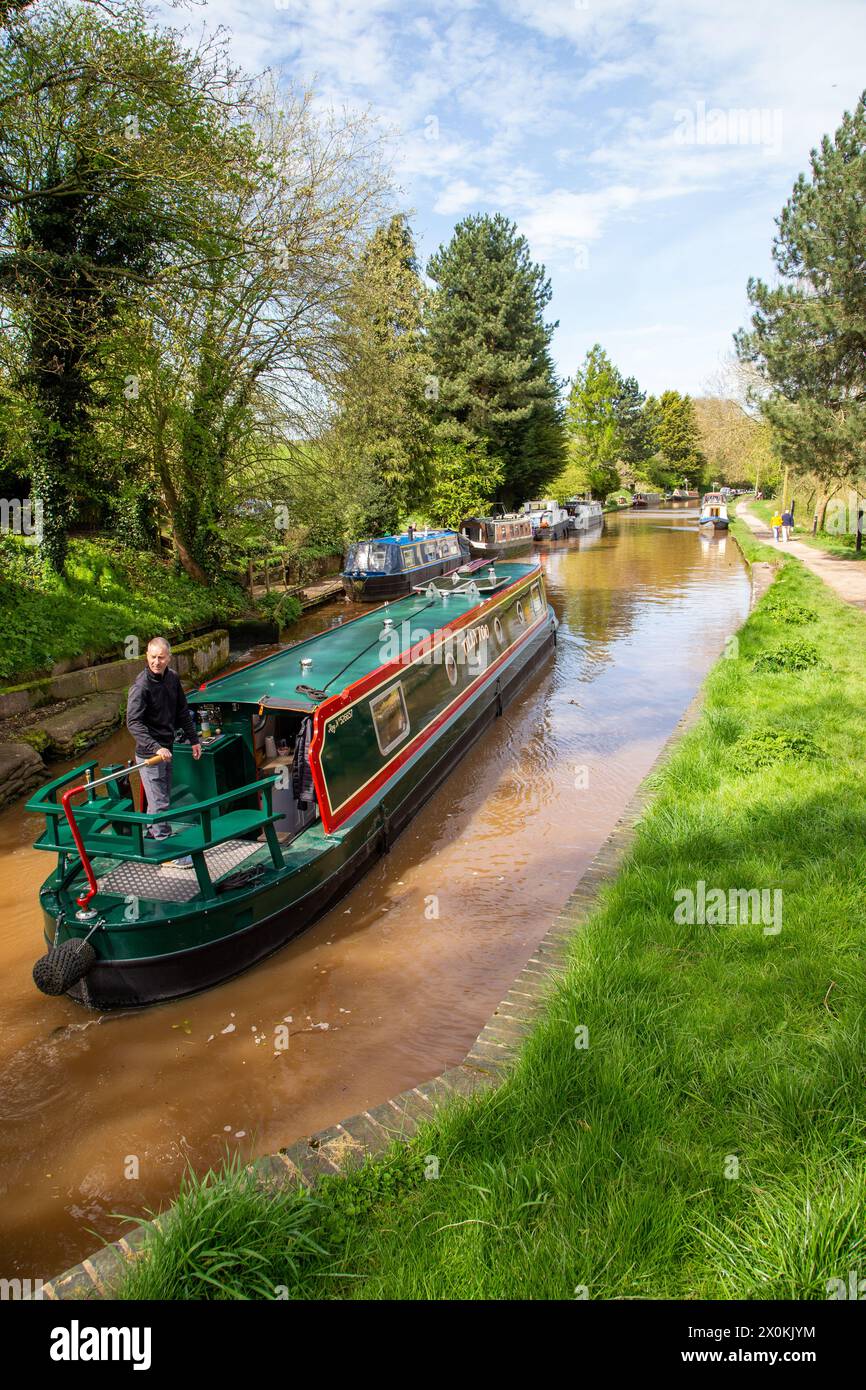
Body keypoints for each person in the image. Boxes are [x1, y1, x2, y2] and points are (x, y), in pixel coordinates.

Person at [126, 637, 201, 866]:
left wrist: (193, 740)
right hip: (151, 753)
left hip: (166, 748)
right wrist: (155, 747)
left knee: (160, 796)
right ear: (146, 656)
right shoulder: (141, 687)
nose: (156, 662)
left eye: (161, 657)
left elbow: (181, 711)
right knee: (160, 801)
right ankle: (167, 849)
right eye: (152, 657)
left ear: (169, 657)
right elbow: (133, 723)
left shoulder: (172, 678)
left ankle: (152, 833)